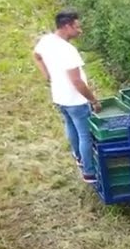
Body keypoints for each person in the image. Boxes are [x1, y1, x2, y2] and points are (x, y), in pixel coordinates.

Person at [33, 9, 100, 182]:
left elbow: (36, 56)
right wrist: (93, 100)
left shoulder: (46, 41)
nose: (80, 31)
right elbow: (77, 82)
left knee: (70, 126)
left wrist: (47, 75)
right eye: (77, 27)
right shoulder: (68, 50)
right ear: (66, 26)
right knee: (85, 135)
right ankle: (89, 172)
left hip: (59, 97)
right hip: (75, 100)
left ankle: (78, 157)